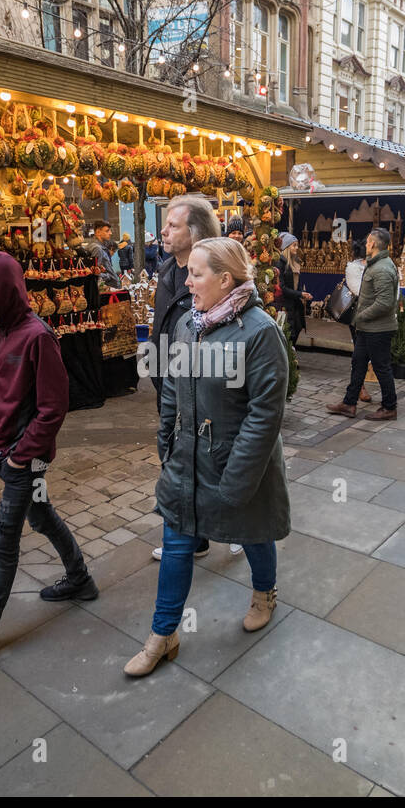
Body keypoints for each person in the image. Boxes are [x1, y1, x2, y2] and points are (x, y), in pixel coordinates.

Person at [126, 237, 290, 676]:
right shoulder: (188, 324)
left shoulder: (260, 331)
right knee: (177, 541)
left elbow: (265, 413)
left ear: (225, 278)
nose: (186, 280)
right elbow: (173, 388)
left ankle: (264, 592)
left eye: (196, 273)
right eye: (187, 272)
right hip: (188, 457)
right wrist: (166, 437)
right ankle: (163, 635)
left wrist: (238, 478)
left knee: (254, 531)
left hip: (240, 460)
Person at [0, 251, 99, 679]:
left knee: (3, 544)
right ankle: (80, 579)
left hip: (23, 463)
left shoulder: (38, 337)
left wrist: (20, 455)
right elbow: (2, 393)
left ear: (0, 294)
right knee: (44, 517)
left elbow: (53, 408)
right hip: (3, 453)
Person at [150, 194, 237, 561]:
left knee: (219, 463)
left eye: (173, 225)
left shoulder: (216, 274)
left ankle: (242, 528)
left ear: (195, 232)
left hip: (207, 390)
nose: (163, 231)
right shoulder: (169, 270)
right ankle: (193, 538)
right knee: (179, 465)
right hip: (171, 385)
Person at [327, 227, 398, 420]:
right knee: (358, 363)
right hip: (368, 328)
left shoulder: (382, 268)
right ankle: (349, 404)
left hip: (378, 329)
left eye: (367, 241)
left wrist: (360, 316)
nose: (365, 244)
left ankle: (389, 407)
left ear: (373, 244)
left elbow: (384, 303)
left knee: (381, 367)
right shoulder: (377, 264)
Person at [344, 239, 370, 402]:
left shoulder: (374, 267)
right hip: (359, 316)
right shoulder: (353, 268)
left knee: (370, 355)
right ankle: (359, 388)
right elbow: (358, 290)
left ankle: (356, 390)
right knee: (360, 354)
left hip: (373, 316)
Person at [275, 232, 311, 345]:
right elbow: (282, 287)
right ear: (286, 246)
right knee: (288, 336)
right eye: (294, 245)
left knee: (295, 331)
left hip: (294, 305)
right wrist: (300, 294)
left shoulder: (294, 263)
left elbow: (295, 285)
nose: (297, 247)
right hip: (285, 306)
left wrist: (301, 293)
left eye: (297, 245)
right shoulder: (280, 263)